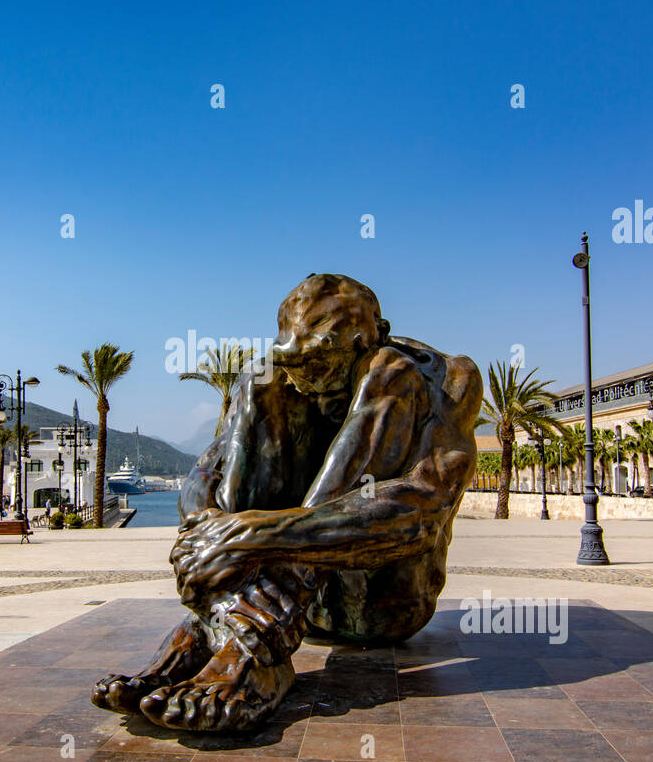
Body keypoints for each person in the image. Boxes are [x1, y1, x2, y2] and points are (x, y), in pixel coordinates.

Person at [92, 273, 480, 731]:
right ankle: (209, 629)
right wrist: (206, 526)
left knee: (389, 377)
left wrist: (250, 538)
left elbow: (417, 515)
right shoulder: (282, 379)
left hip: (379, 606)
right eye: (298, 362)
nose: (311, 381)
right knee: (261, 381)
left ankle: (255, 648)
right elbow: (207, 470)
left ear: (372, 335)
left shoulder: (442, 380)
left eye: (323, 361)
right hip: (298, 610)